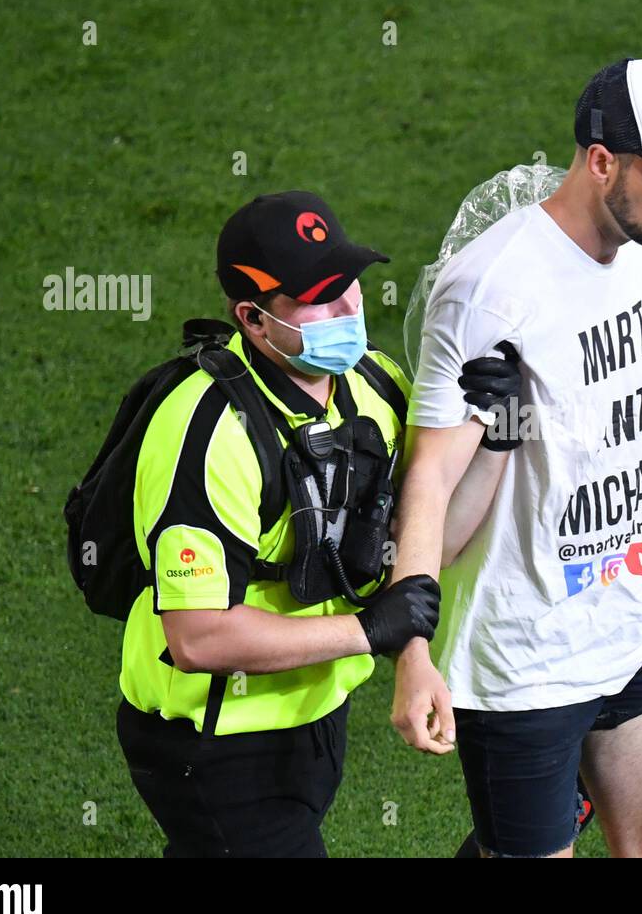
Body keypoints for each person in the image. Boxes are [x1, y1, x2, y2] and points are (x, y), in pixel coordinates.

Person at [390, 58, 642, 858]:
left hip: (632, 617)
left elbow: (611, 404)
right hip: (526, 659)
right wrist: (411, 651)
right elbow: (431, 475)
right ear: (600, 162)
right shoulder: (490, 287)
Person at [113, 190, 510, 857]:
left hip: (316, 713)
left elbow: (422, 539)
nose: (350, 306)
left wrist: (489, 436)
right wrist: (367, 629)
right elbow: (199, 636)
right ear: (253, 318)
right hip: (213, 739)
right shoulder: (206, 432)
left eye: (348, 281)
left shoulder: (374, 384)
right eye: (318, 297)